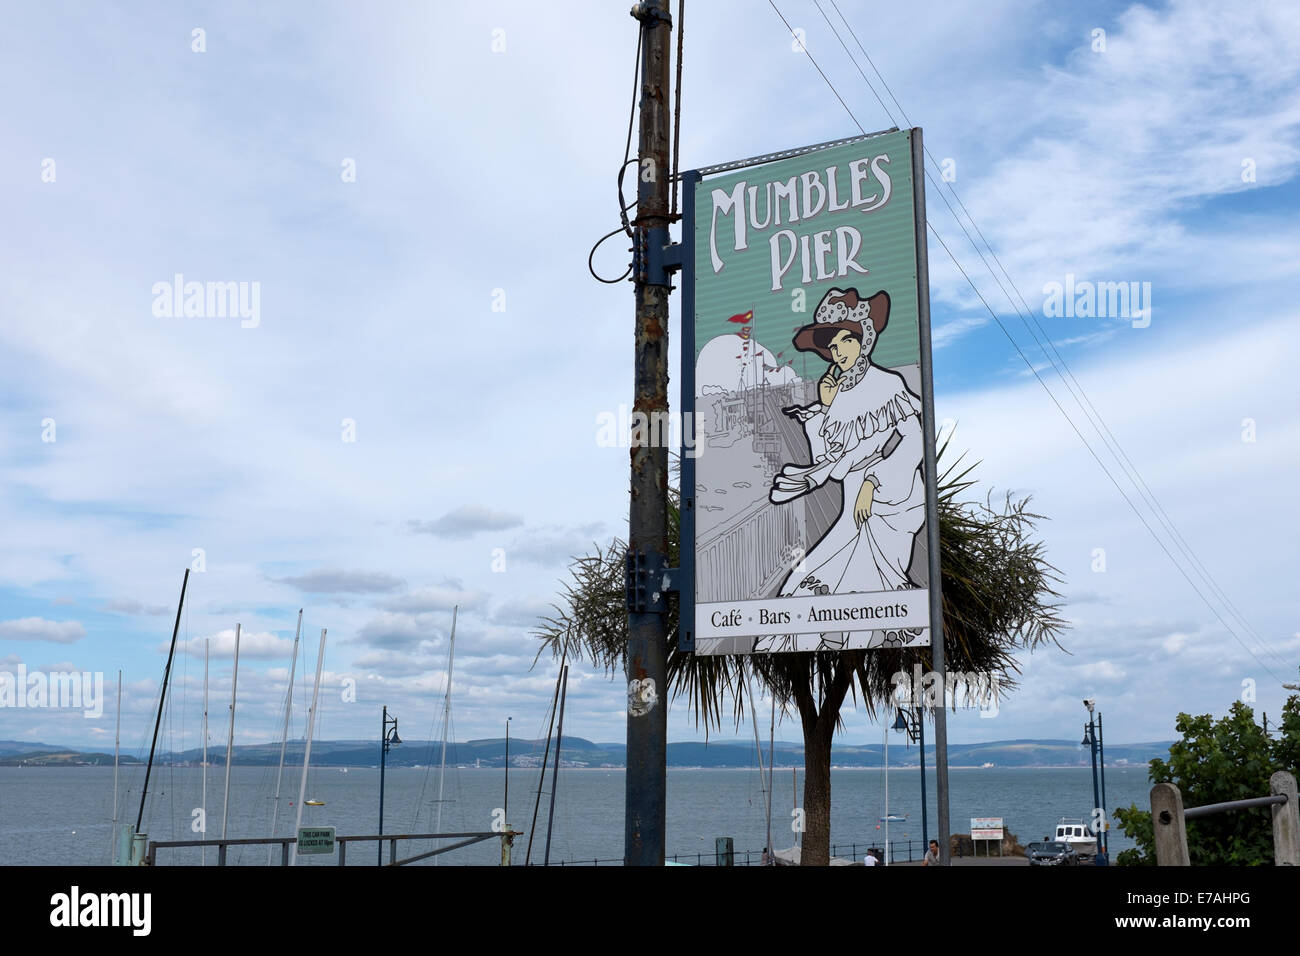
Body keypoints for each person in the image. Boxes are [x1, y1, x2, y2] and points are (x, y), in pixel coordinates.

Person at [758, 287, 927, 652]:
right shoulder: (838, 393)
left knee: (868, 573)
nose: (837, 353)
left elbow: (912, 440)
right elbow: (831, 464)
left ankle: (868, 629)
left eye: (843, 343)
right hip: (854, 504)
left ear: (862, 339)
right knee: (814, 578)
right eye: (831, 348)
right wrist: (823, 409)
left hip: (890, 501)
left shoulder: (888, 384)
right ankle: (832, 632)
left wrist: (874, 483)